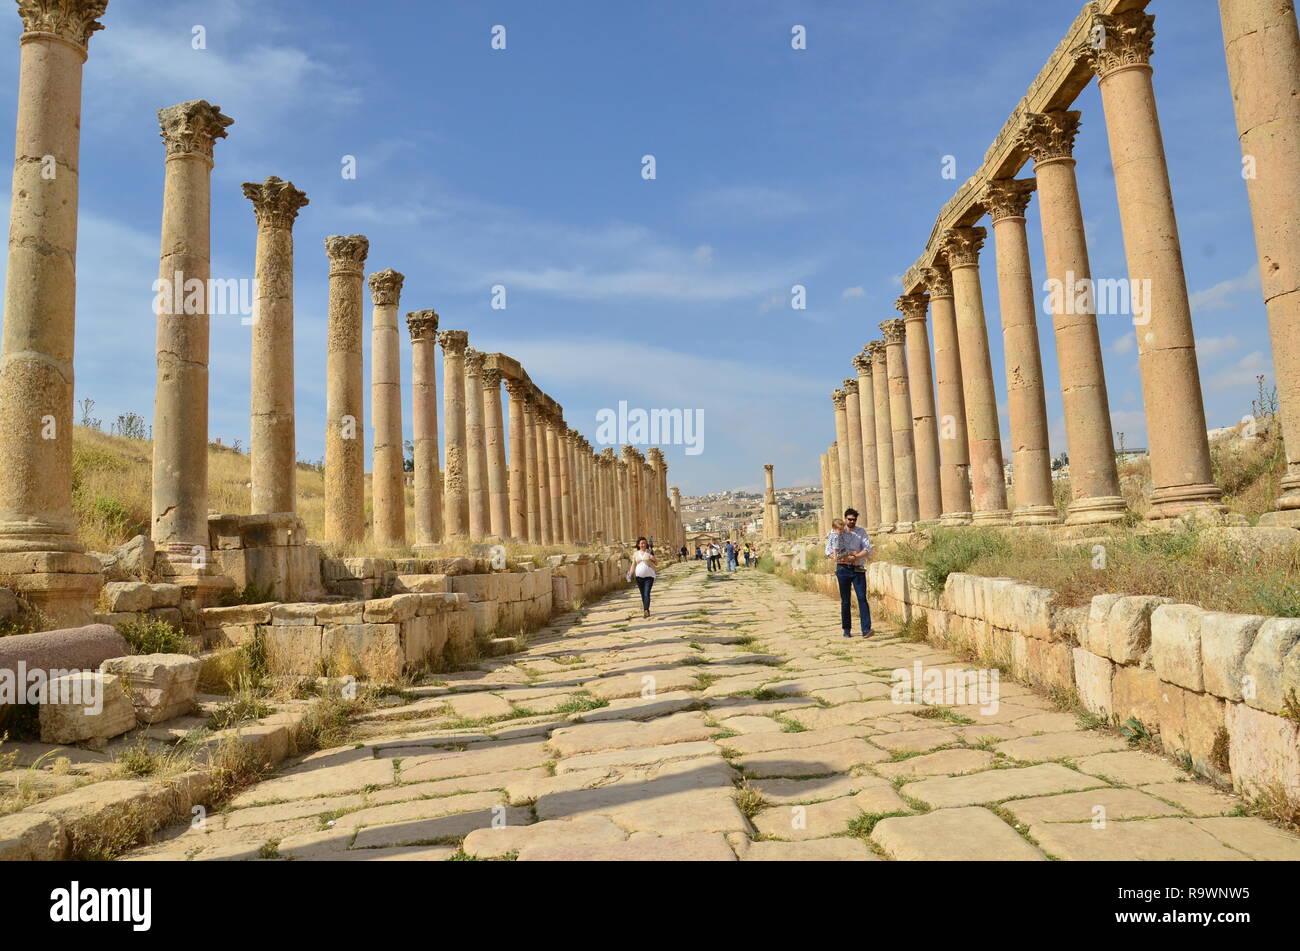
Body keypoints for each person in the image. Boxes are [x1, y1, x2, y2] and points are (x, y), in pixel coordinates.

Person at [827, 508, 873, 638]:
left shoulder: (861, 532)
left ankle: (866, 630)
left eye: (854, 519)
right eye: (849, 519)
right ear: (845, 518)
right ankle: (846, 630)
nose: (852, 521)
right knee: (845, 601)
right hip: (843, 569)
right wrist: (838, 558)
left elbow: (867, 549)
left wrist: (855, 557)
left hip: (857, 568)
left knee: (862, 598)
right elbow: (828, 550)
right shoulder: (837, 531)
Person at [632, 536, 657, 618]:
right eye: (641, 543)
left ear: (646, 544)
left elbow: (656, 563)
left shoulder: (650, 552)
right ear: (638, 545)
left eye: (644, 543)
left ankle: (646, 610)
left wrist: (653, 558)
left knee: (647, 593)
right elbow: (633, 565)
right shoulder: (635, 554)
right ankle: (646, 609)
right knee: (643, 594)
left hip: (649, 576)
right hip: (639, 577)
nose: (643, 545)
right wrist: (630, 574)